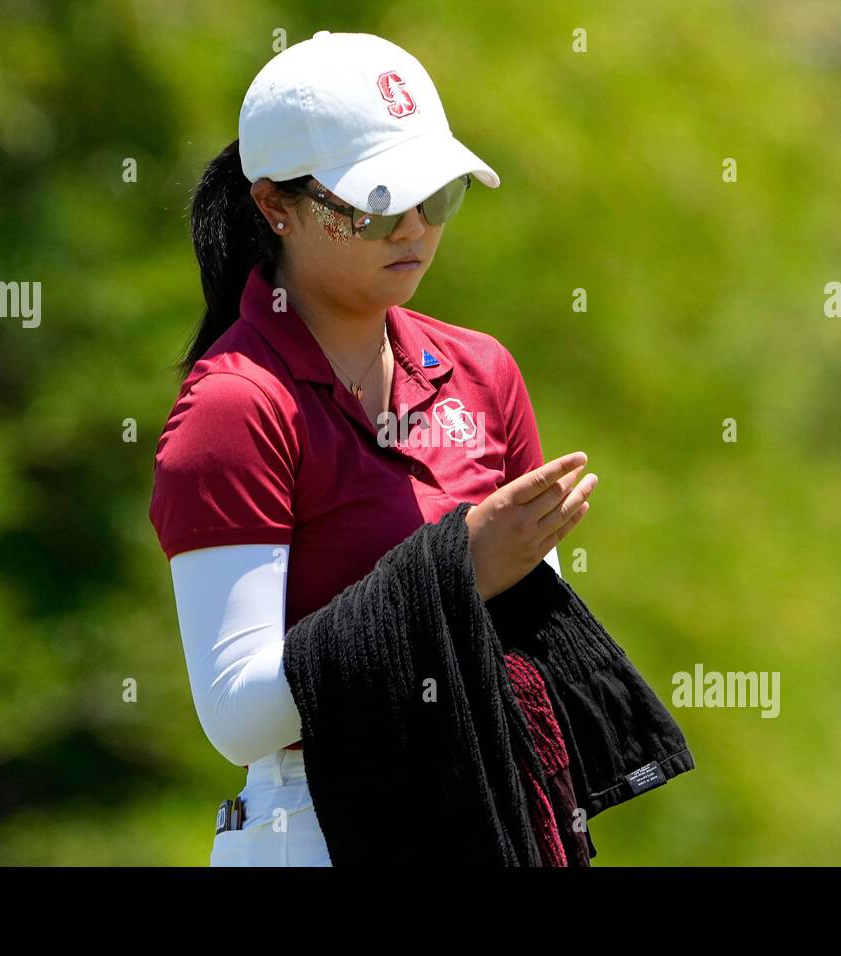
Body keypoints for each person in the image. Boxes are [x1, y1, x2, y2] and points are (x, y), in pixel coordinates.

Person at [149, 31, 597, 866]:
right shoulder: (235, 405)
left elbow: (532, 648)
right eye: (380, 204)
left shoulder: (483, 372)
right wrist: (454, 574)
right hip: (316, 828)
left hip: (487, 809)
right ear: (275, 207)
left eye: (440, 197)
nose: (417, 229)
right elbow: (237, 716)